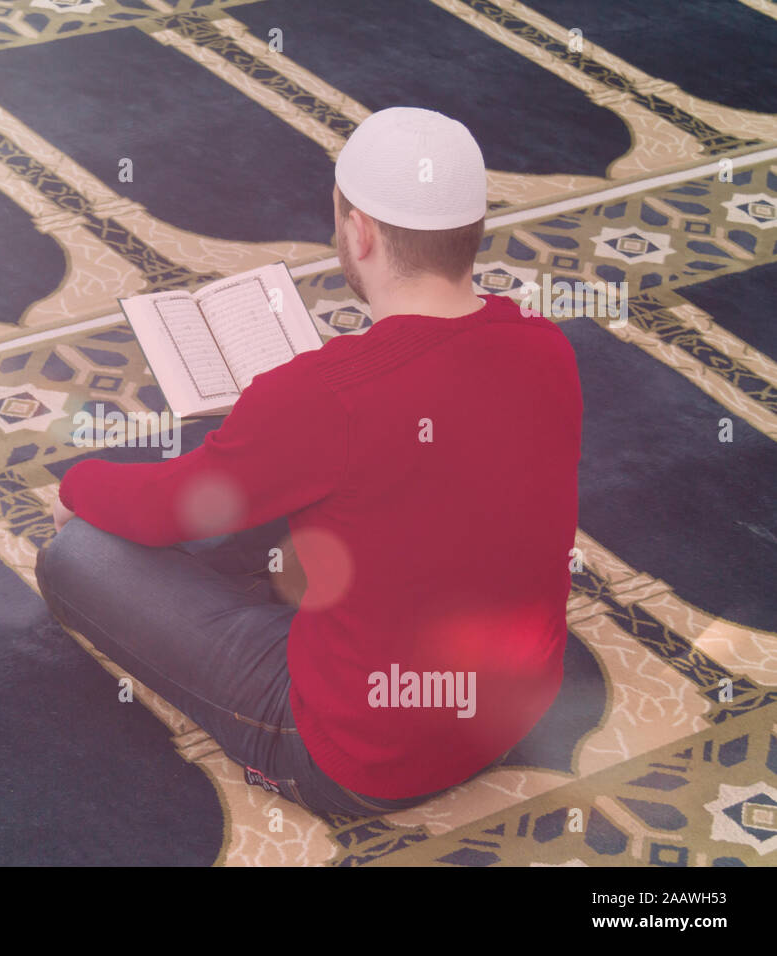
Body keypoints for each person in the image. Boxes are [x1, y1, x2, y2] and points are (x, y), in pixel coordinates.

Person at [35, 107, 582, 817]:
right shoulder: (546, 347)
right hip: (518, 708)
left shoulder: (328, 395)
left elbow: (164, 508)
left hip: (364, 758)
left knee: (81, 554)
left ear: (359, 232)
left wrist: (78, 485)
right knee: (331, 493)